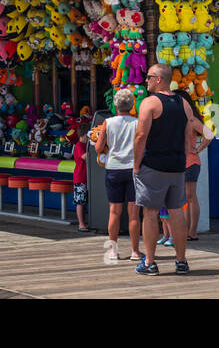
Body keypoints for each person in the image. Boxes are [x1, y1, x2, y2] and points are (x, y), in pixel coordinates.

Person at [133, 64, 196, 276]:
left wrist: (135, 164)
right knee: (177, 211)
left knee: (150, 213)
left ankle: (149, 262)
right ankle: (181, 261)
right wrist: (185, 157)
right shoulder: (184, 104)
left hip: (153, 165)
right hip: (177, 166)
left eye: (149, 77)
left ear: (159, 79)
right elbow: (190, 136)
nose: (146, 80)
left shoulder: (149, 103)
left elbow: (140, 136)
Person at [94, 88, 140, 260]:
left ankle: (113, 251)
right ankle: (135, 251)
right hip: (133, 169)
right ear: (132, 104)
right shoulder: (137, 123)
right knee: (134, 213)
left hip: (113, 169)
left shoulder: (108, 122)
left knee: (114, 211)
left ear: (115, 105)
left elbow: (98, 148)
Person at [179, 87, 212, 241]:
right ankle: (186, 231)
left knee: (190, 197)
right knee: (185, 197)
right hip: (179, 162)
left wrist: (197, 149)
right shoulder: (179, 118)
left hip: (191, 162)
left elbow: (209, 135)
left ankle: (192, 231)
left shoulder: (191, 120)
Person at [71, 123, 90, 232]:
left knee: (84, 201)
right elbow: (84, 156)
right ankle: (81, 224)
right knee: (80, 201)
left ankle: (86, 222)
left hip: (87, 177)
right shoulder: (79, 145)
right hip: (80, 177)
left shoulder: (86, 145)